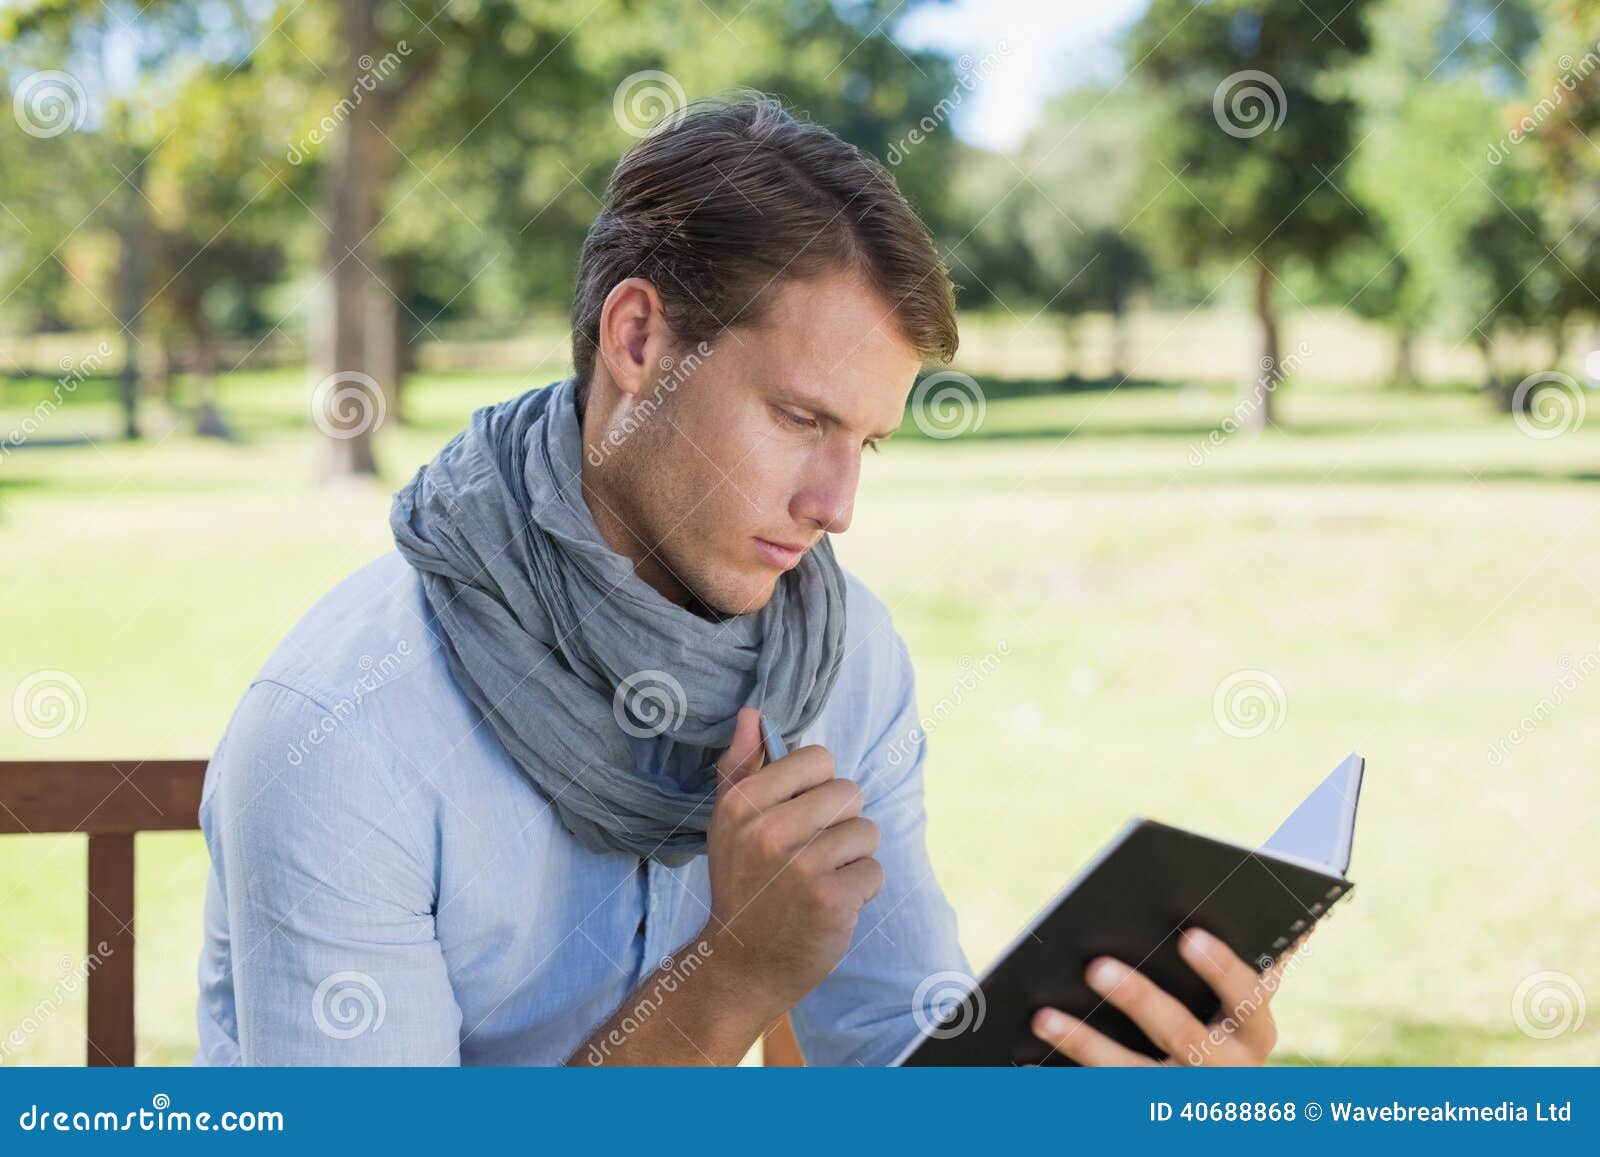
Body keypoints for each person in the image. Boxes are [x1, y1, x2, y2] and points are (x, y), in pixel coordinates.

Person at [194, 93, 1284, 1067]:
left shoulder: (842, 655)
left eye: (868, 441)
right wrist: (733, 975)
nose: (835, 505)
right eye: (802, 418)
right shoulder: (340, 727)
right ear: (637, 337)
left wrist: (1124, 1080)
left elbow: (893, 1056)